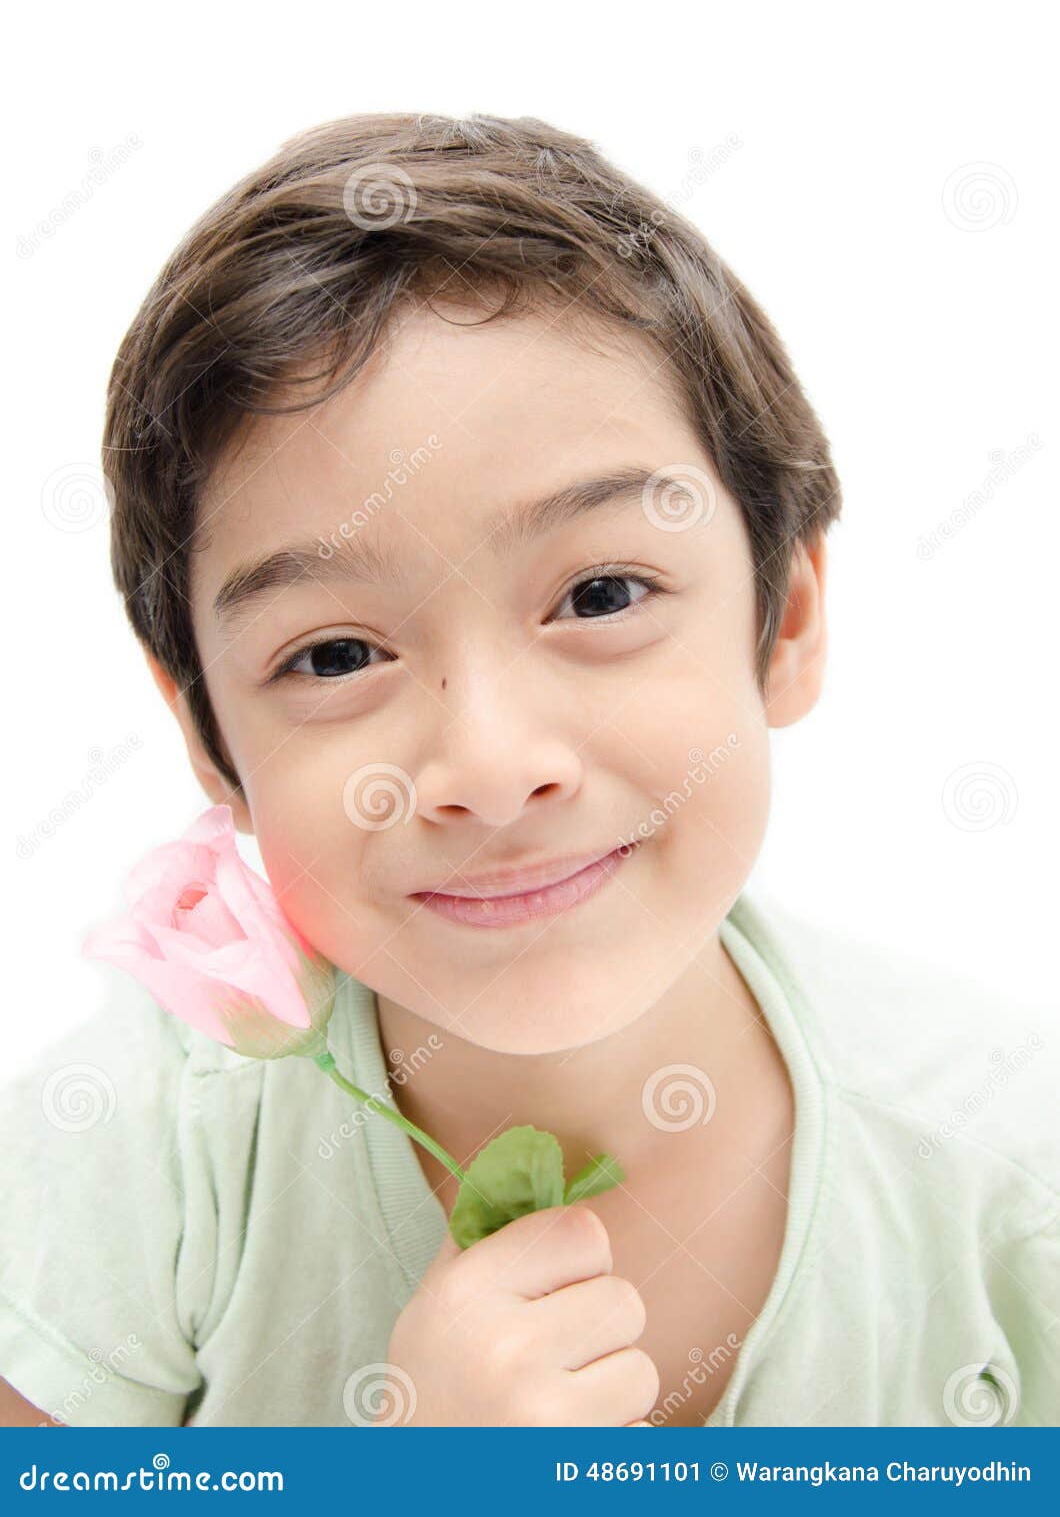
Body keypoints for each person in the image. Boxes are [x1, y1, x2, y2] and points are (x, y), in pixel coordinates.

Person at [2, 114, 1055, 1427]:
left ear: (784, 617)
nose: (491, 767)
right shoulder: (138, 1162)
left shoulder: (1010, 1175)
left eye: (602, 590)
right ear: (209, 733)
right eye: (334, 655)